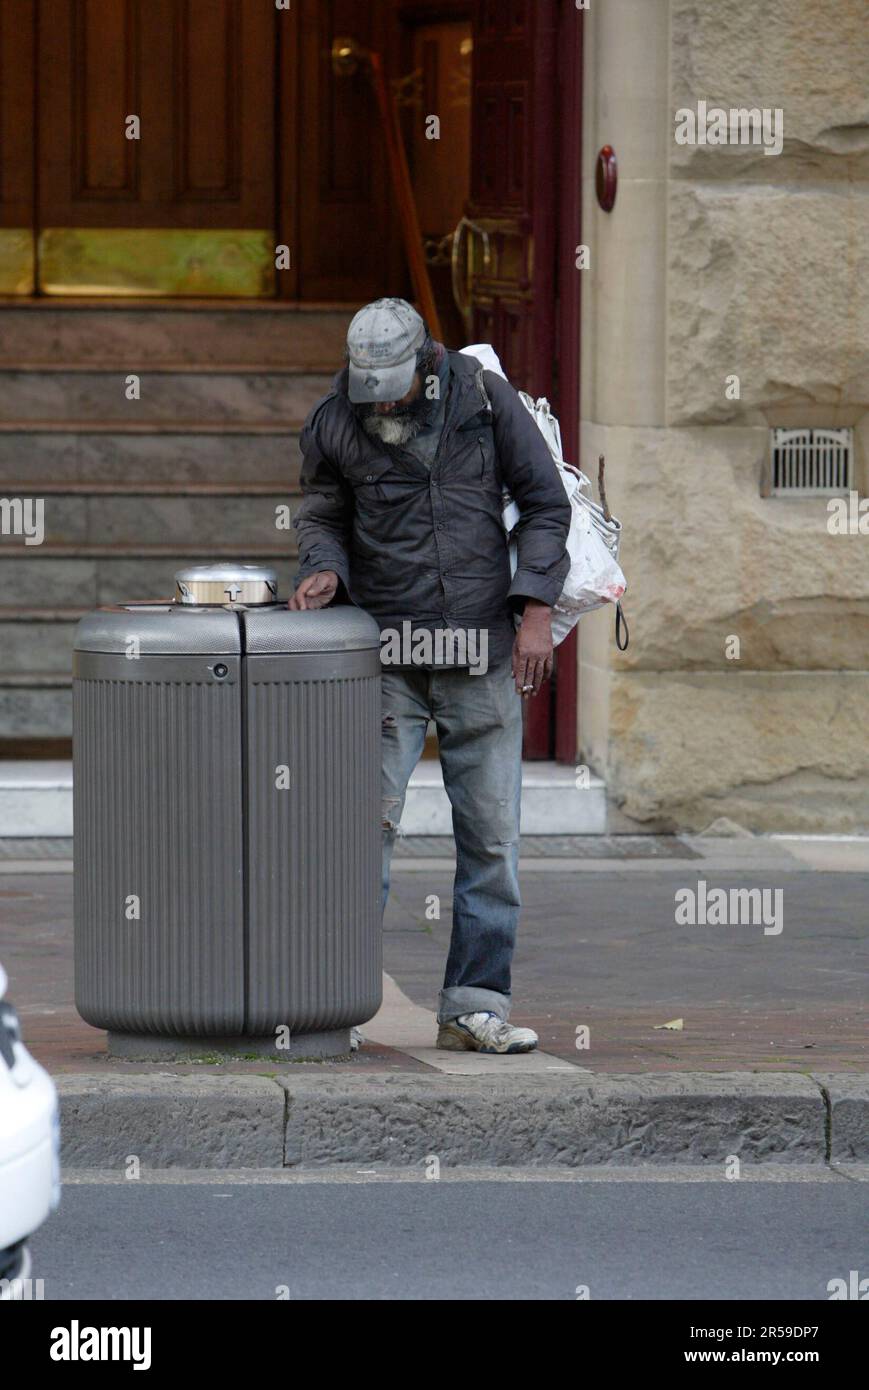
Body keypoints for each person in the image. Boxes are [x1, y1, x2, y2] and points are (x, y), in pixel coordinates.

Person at [291, 298, 570, 1053]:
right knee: (360, 833)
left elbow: (545, 505)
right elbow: (320, 515)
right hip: (387, 655)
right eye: (366, 387)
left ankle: (474, 1006)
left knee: (490, 839)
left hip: (479, 649)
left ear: (426, 364)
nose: (379, 401)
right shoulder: (333, 418)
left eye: (392, 385)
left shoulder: (483, 396)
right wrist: (322, 571)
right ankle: (329, 1005)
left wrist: (535, 611)